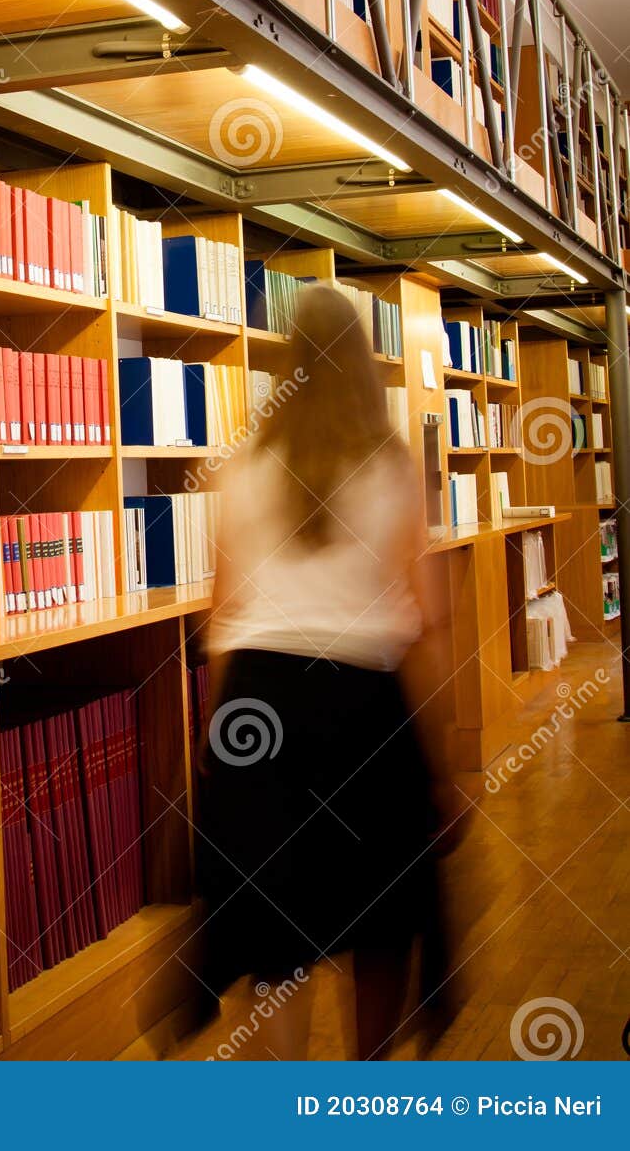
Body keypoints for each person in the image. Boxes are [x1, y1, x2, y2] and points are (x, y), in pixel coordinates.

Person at [193, 283, 464, 1060]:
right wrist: (444, 765)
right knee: (379, 923)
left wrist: (218, 743)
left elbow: (222, 620)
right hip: (363, 709)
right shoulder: (389, 466)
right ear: (360, 364)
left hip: (259, 705)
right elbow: (422, 629)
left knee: (272, 930)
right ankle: (363, 1092)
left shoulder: (242, 467)